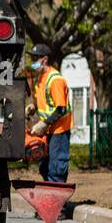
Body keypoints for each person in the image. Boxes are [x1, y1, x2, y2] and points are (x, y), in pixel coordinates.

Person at [26, 44, 71, 182]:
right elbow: (46, 102)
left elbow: (61, 109)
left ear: (44, 60)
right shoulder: (40, 78)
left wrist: (44, 123)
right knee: (44, 167)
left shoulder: (55, 79)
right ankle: (51, 199)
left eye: (35, 59)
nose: (32, 63)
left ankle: (57, 202)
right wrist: (33, 107)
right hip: (48, 129)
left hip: (59, 130)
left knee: (56, 168)